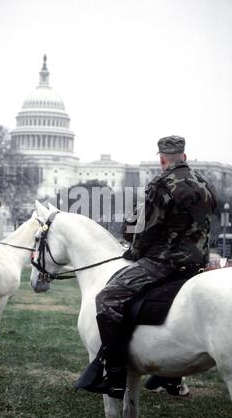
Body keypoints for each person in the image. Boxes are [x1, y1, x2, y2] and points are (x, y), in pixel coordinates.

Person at [81, 136, 217, 399]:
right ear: (184, 157)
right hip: (197, 263)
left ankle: (116, 374)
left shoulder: (161, 185)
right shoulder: (205, 183)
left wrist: (134, 251)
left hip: (164, 263)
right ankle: (171, 376)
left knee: (107, 298)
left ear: (162, 159)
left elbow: (144, 229)